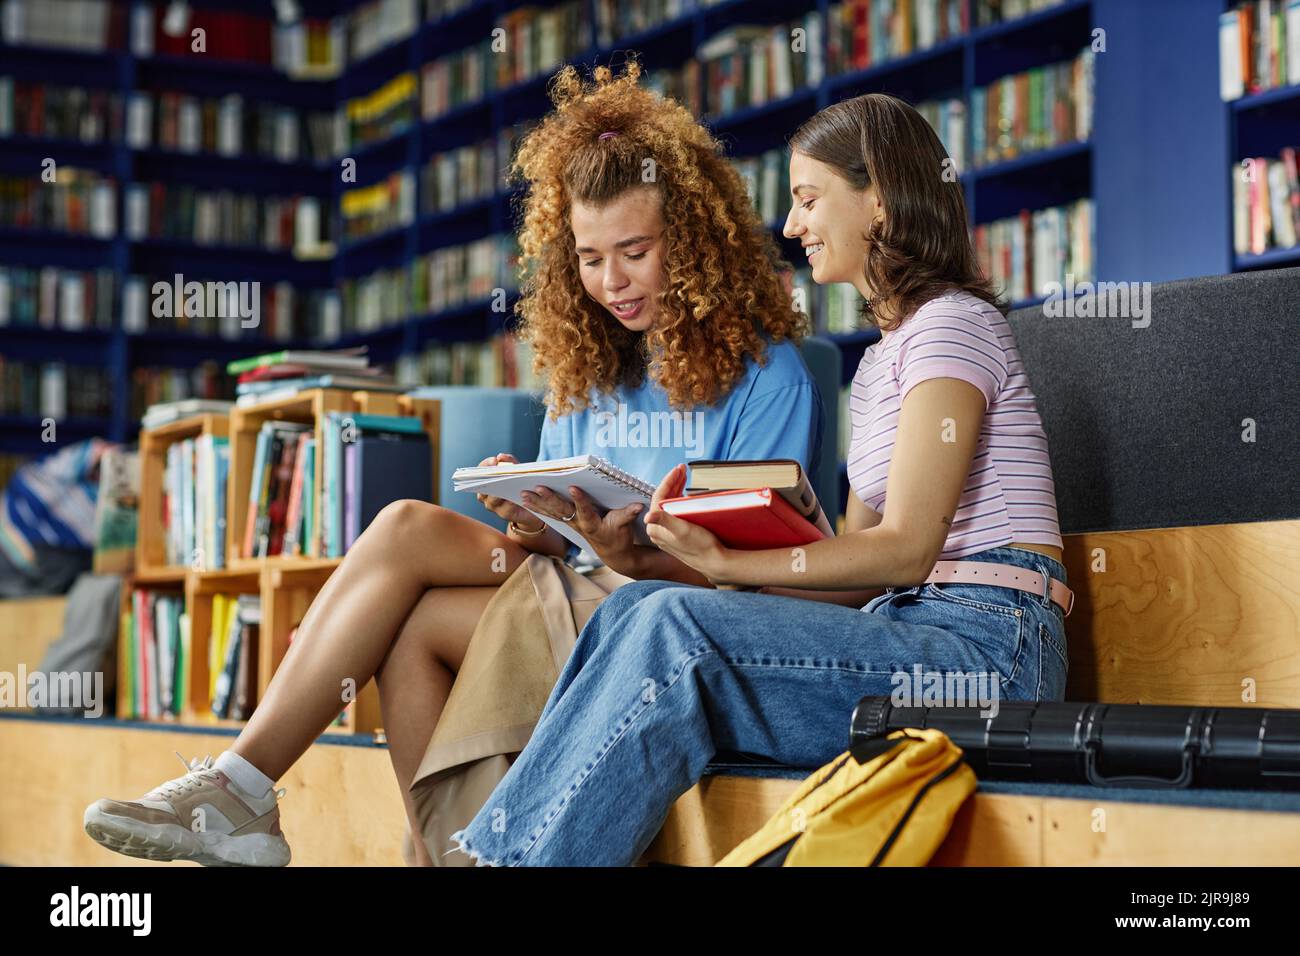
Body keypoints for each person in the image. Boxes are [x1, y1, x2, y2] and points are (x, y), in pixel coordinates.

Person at [82, 61, 825, 867]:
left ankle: (248, 796)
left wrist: (634, 553)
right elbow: (561, 544)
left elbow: (762, 580)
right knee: (404, 544)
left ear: (690, 239)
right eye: (588, 258)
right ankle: (269, 798)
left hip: (675, 610)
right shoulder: (590, 363)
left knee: (414, 624)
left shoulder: (768, 371)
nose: (611, 281)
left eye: (635, 251)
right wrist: (535, 514)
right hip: (578, 581)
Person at [448, 92, 1074, 867]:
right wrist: (691, 555)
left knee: (673, 627)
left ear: (877, 202)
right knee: (644, 605)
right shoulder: (880, 361)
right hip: (908, 631)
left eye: (809, 199)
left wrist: (734, 566)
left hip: (989, 652)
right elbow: (858, 568)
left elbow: (909, 549)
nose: (791, 225)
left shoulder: (952, 323)